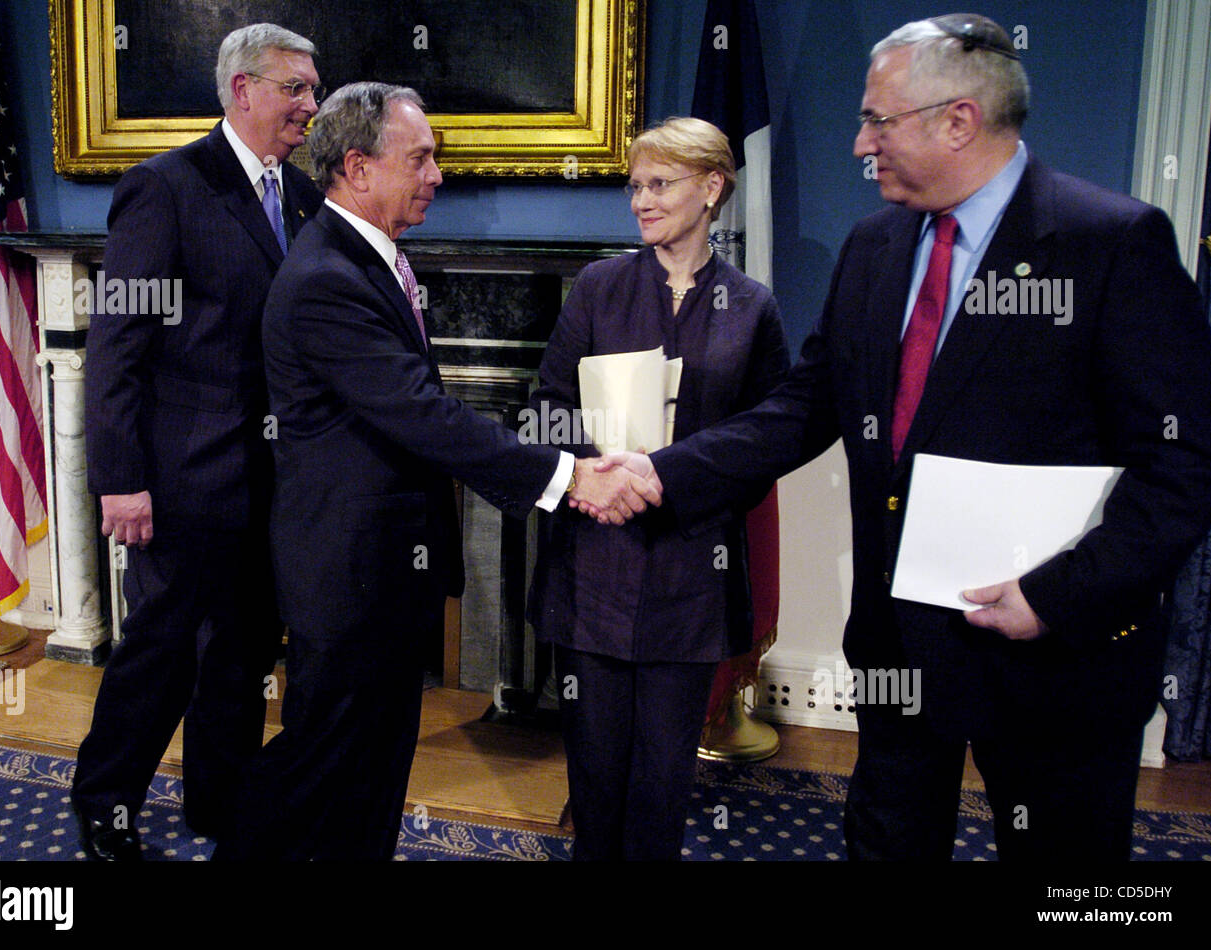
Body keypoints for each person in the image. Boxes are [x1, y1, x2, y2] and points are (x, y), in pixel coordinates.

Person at [601, 13, 1211, 860]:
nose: (860, 142)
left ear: (959, 120)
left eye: (877, 121)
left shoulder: (1112, 243)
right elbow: (805, 406)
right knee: (885, 844)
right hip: (901, 648)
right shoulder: (874, 245)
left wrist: (1059, 595)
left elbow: (1186, 463)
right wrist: (662, 472)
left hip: (1057, 657)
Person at [212, 82, 660, 861]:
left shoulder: (368, 256)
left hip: (383, 576)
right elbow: (426, 416)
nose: (436, 175)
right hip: (346, 579)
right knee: (316, 771)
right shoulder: (327, 278)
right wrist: (571, 478)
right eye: (420, 158)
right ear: (357, 166)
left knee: (371, 774)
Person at [75, 23, 325, 860]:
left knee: (246, 655)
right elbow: (117, 344)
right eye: (295, 89)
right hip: (180, 482)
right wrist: (120, 479)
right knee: (160, 654)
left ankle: (218, 802)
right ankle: (106, 802)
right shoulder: (165, 187)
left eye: (314, 90)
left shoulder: (301, 197)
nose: (310, 106)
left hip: (270, 482)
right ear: (241, 90)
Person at [526, 117, 791, 860]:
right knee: (597, 776)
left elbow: (768, 439)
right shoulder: (599, 289)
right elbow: (546, 408)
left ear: (712, 189)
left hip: (690, 577)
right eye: (634, 185)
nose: (640, 200)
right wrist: (597, 478)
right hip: (594, 569)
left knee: (660, 786)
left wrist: (672, 484)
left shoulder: (753, 308)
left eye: (659, 184)